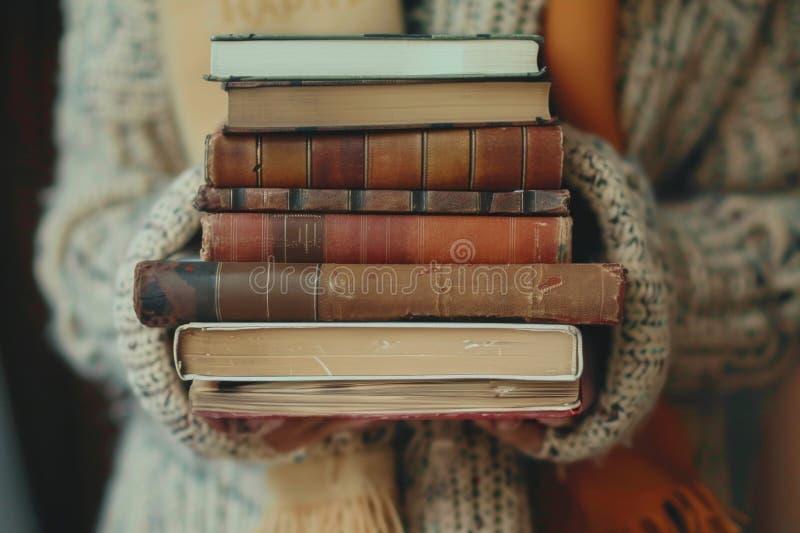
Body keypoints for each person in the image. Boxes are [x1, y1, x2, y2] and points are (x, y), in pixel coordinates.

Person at [35, 0, 798, 531]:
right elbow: (81, 242)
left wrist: (615, 295)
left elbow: (781, 247)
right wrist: (201, 285)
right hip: (216, 513)